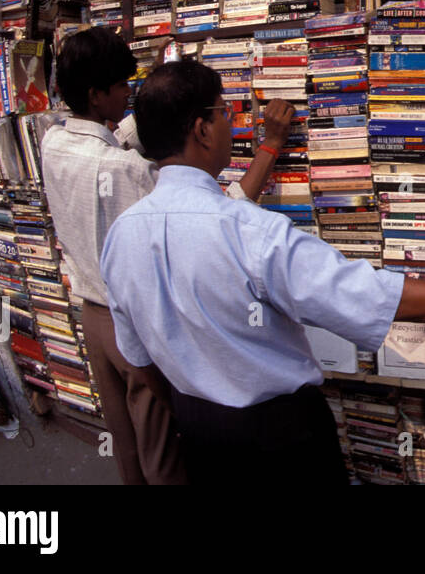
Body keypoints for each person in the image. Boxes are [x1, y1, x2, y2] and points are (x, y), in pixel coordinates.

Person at [99, 59, 425, 484]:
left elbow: (140, 364)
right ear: (202, 129)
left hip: (199, 432)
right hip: (278, 436)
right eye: (224, 113)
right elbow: (378, 299)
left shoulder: (121, 236)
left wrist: (196, 402)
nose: (230, 124)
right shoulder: (250, 231)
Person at [40, 28, 293, 485]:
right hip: (132, 322)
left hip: (90, 316)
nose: (128, 96)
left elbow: (115, 136)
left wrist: (164, 89)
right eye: (122, 88)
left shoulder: (53, 142)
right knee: (163, 449)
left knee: (127, 445)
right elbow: (218, 214)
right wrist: (270, 147)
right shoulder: (127, 171)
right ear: (98, 95)